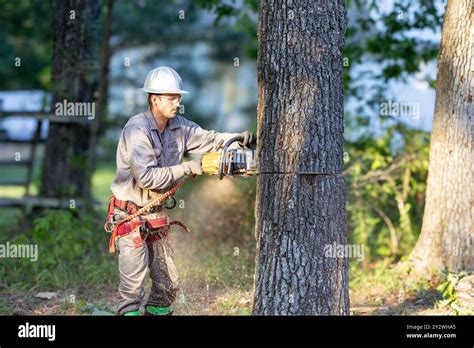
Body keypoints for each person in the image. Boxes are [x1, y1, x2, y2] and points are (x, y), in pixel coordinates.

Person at [109, 66, 254, 316]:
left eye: (178, 97)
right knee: (132, 292)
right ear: (154, 99)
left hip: (156, 216)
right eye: (171, 97)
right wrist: (189, 167)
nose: (177, 102)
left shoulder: (180, 126)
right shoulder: (137, 130)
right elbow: (146, 177)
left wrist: (238, 137)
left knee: (168, 286)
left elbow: (209, 139)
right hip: (131, 217)